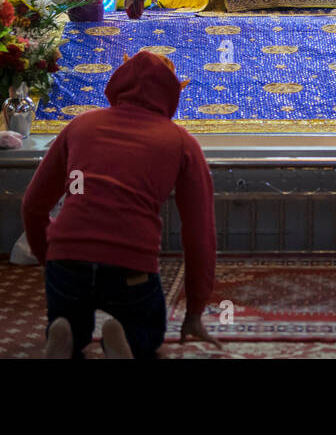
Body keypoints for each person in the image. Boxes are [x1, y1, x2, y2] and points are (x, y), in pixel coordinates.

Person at [21, 51, 218, 358]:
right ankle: (127, 336)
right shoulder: (181, 142)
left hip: (68, 257)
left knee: (70, 318)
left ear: (116, 85)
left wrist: (49, 258)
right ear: (172, 93)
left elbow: (34, 204)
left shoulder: (81, 125)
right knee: (148, 334)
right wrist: (194, 310)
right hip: (130, 264)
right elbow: (199, 234)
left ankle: (66, 333)